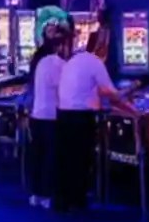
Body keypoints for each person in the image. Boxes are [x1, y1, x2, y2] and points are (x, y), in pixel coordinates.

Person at [55, 21, 131, 211]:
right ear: (101, 47)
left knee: (67, 160)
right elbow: (112, 95)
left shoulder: (73, 61)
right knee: (81, 160)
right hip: (81, 118)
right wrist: (133, 90)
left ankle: (64, 201)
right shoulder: (95, 62)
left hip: (63, 115)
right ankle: (78, 201)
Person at [26, 33, 65, 209]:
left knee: (37, 156)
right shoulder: (58, 64)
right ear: (60, 47)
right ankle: (48, 195)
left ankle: (35, 194)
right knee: (51, 157)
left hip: (37, 114)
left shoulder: (40, 62)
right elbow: (65, 87)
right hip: (52, 116)